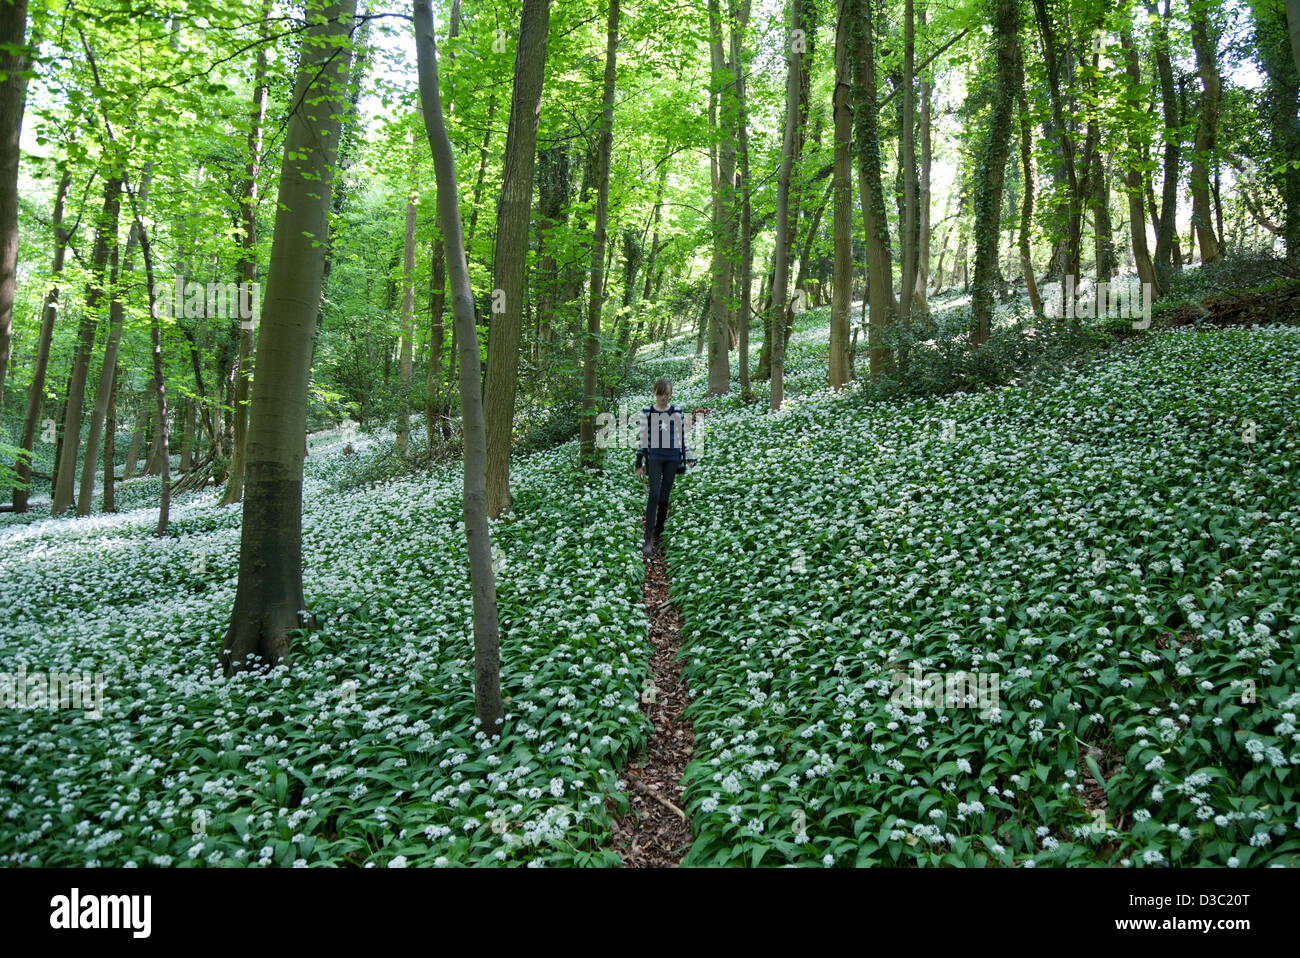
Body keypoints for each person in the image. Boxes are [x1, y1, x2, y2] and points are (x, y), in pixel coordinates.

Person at [635, 378, 696, 557]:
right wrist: (639, 464)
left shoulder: (676, 411)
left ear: (671, 394)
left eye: (667, 394)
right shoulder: (647, 411)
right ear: (654, 392)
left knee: (664, 498)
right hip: (654, 457)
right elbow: (643, 438)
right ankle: (648, 537)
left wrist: (689, 455)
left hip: (672, 458)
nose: (664, 397)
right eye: (661, 394)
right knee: (654, 494)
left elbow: (682, 436)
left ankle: (660, 532)